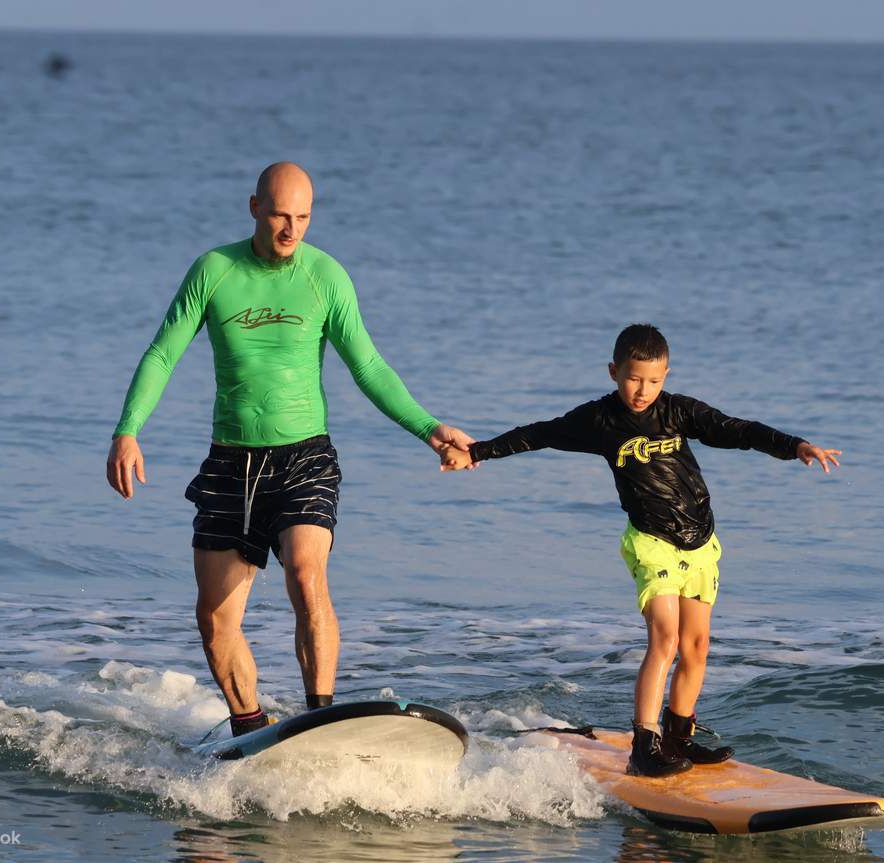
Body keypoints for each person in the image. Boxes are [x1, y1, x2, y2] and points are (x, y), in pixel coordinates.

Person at [106, 162, 473, 737]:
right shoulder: (214, 270)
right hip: (231, 464)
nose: (291, 229)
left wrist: (428, 429)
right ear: (254, 206)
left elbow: (369, 366)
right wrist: (128, 430)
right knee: (215, 618)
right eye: (280, 215)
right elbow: (162, 354)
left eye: (302, 217)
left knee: (306, 574)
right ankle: (250, 728)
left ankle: (319, 716)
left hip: (305, 457)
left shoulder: (326, 277)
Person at [441, 324, 839, 776]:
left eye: (653, 380)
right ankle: (644, 743)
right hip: (651, 543)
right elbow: (541, 433)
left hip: (702, 542)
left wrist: (796, 447)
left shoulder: (678, 411)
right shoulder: (600, 420)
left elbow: (738, 430)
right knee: (665, 638)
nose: (642, 390)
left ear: (666, 374)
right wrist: (477, 452)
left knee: (697, 646)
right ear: (614, 372)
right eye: (633, 378)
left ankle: (679, 738)